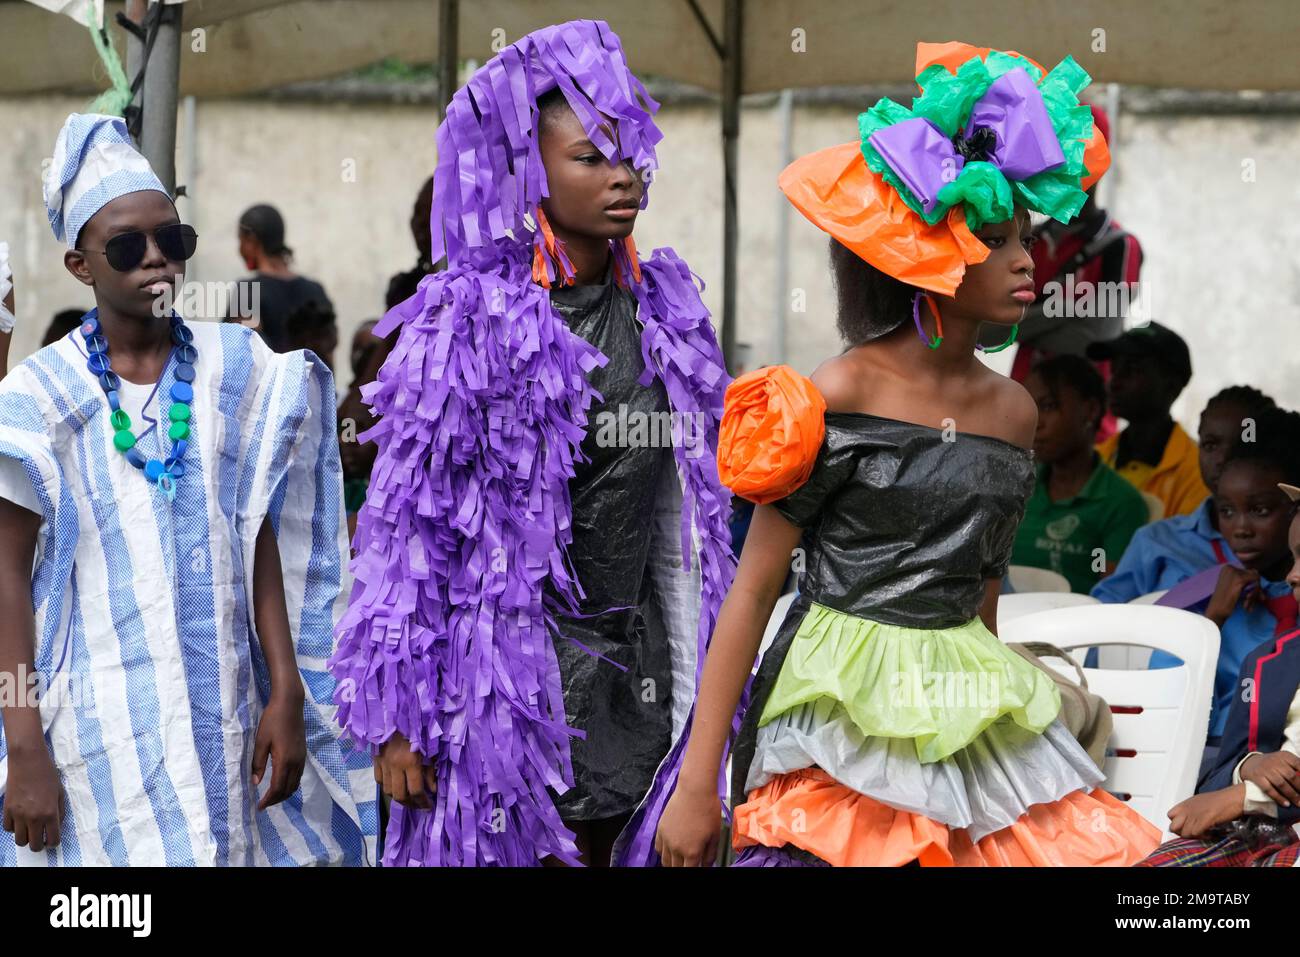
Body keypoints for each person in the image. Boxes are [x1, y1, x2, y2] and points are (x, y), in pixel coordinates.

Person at [652, 41, 1160, 867]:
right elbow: (750, 592)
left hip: (973, 714)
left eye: (1023, 236)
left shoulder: (1015, 410)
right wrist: (696, 784)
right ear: (925, 257)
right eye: (995, 240)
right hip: (835, 716)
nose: (1027, 258)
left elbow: (982, 594)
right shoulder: (841, 389)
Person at [328, 20, 736, 867]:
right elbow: (408, 530)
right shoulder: (466, 320)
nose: (622, 175)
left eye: (628, 154)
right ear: (529, 171)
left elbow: (699, 518)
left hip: (643, 682)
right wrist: (400, 717)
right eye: (590, 157)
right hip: (501, 694)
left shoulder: (668, 313)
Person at [0, 113, 373, 865]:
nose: (155, 261)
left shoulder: (238, 368)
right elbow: (7, 577)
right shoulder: (37, 399)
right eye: (126, 247)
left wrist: (286, 686)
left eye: (172, 240)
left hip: (225, 718)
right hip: (96, 735)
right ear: (80, 265)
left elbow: (256, 531)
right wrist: (25, 743)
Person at [1139, 486, 1300, 867]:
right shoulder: (1271, 659)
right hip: (1265, 828)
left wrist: (1238, 797)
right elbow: (1225, 765)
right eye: (1294, 557)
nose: (1293, 575)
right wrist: (1249, 766)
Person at [998, 104, 1143, 442]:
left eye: (1080, 157)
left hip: (1085, 426)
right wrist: (1068, 311)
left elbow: (1098, 337)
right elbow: (993, 329)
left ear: (1100, 165)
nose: (1066, 169)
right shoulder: (1024, 238)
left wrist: (1024, 322)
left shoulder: (1119, 246)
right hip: (1022, 413)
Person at [1092, 385, 1277, 604]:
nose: (1222, 458)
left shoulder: (1287, 543)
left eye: (1241, 444)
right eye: (1210, 445)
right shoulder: (1157, 540)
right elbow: (1104, 613)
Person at [1011, 354, 1149, 592]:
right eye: (1030, 407)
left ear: (1091, 411)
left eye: (1048, 406)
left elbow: (1113, 600)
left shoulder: (1121, 503)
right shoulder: (1015, 483)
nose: (1035, 421)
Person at [1088, 322, 1208, 519]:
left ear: (1171, 386)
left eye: (1132, 370)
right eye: (1114, 368)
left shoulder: (1198, 473)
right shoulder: (1097, 459)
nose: (1114, 382)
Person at [231, 203, 333, 353]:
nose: (239, 249)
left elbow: (242, 351)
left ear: (251, 240)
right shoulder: (316, 290)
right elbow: (328, 354)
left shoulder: (247, 291)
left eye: (241, 240)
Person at [384, 176, 436, 312]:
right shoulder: (403, 290)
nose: (418, 224)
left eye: (430, 214)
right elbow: (386, 330)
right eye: (417, 212)